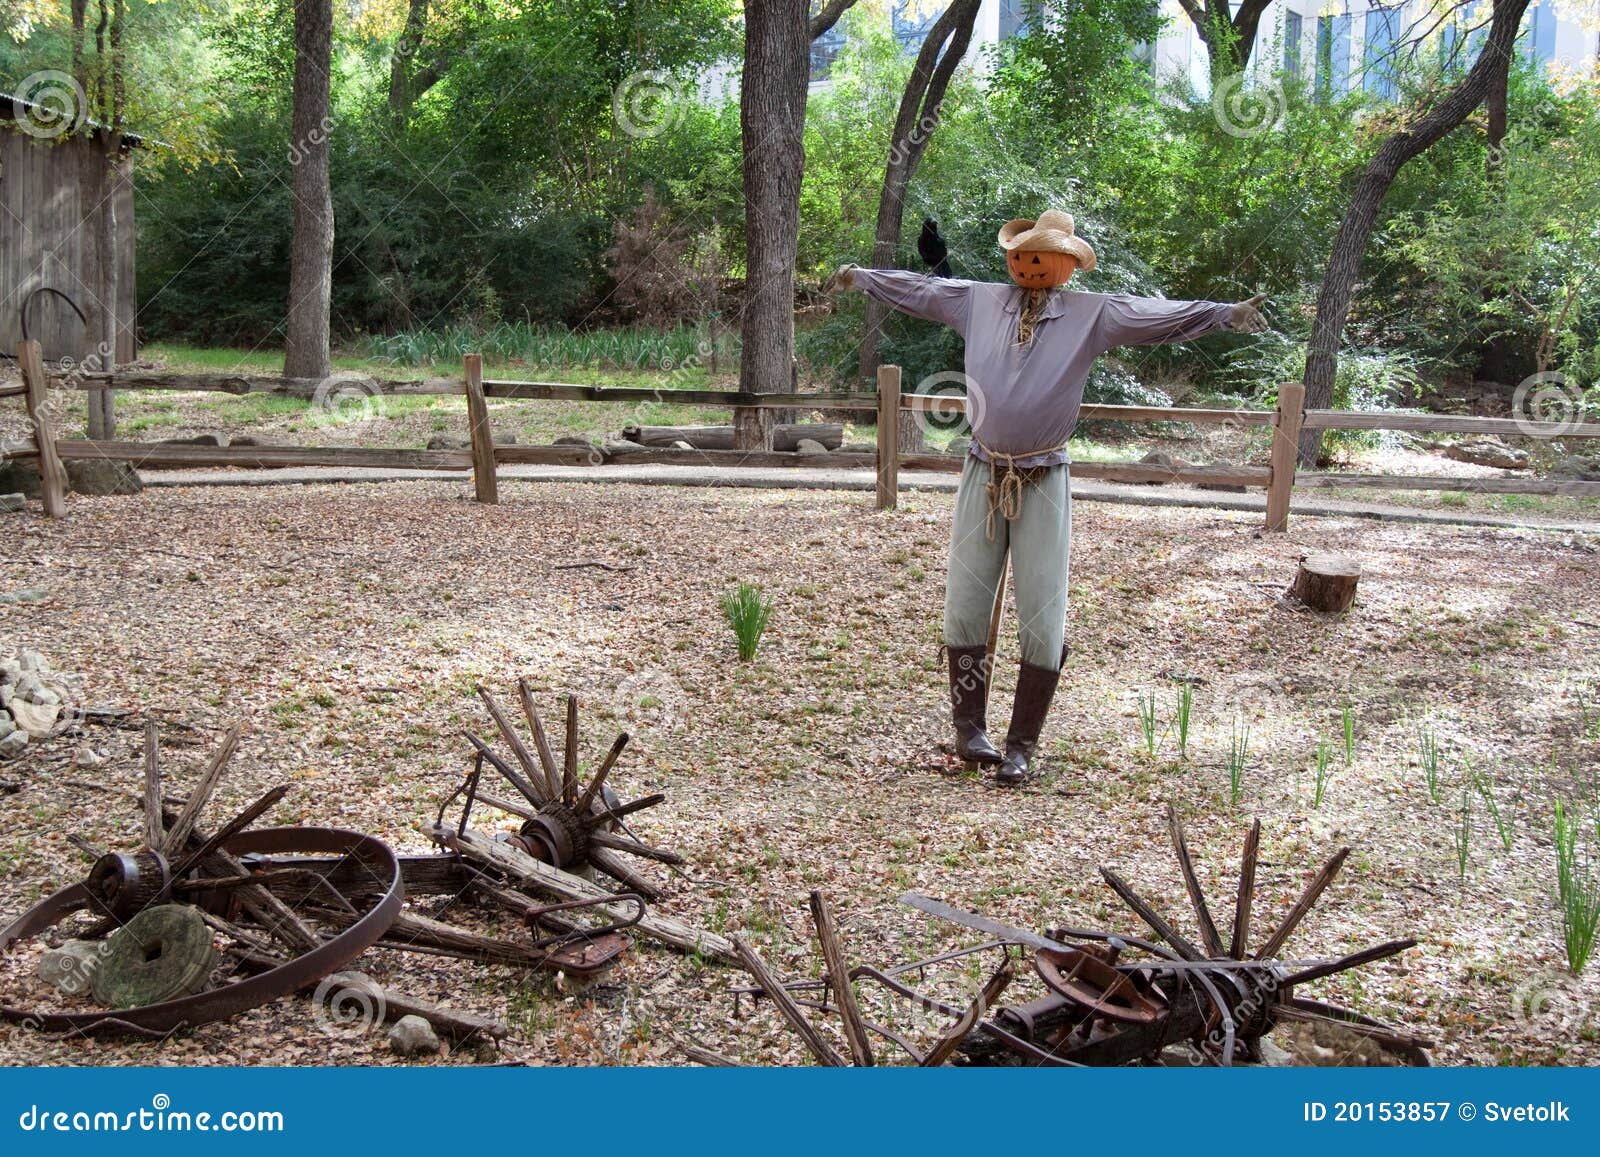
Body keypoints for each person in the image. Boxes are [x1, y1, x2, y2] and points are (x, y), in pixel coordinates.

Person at [829, 210, 1268, 786]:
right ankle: (970, 730)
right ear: (1011, 257)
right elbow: (925, 290)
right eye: (1022, 254)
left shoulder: (1093, 314)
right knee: (966, 598)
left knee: (1042, 608)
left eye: (1042, 256)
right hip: (982, 470)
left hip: (1045, 476)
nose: (1029, 265)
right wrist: (863, 278)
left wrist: (1224, 315)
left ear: (1065, 264)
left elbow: (1156, 314)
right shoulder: (979, 301)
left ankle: (1021, 745)